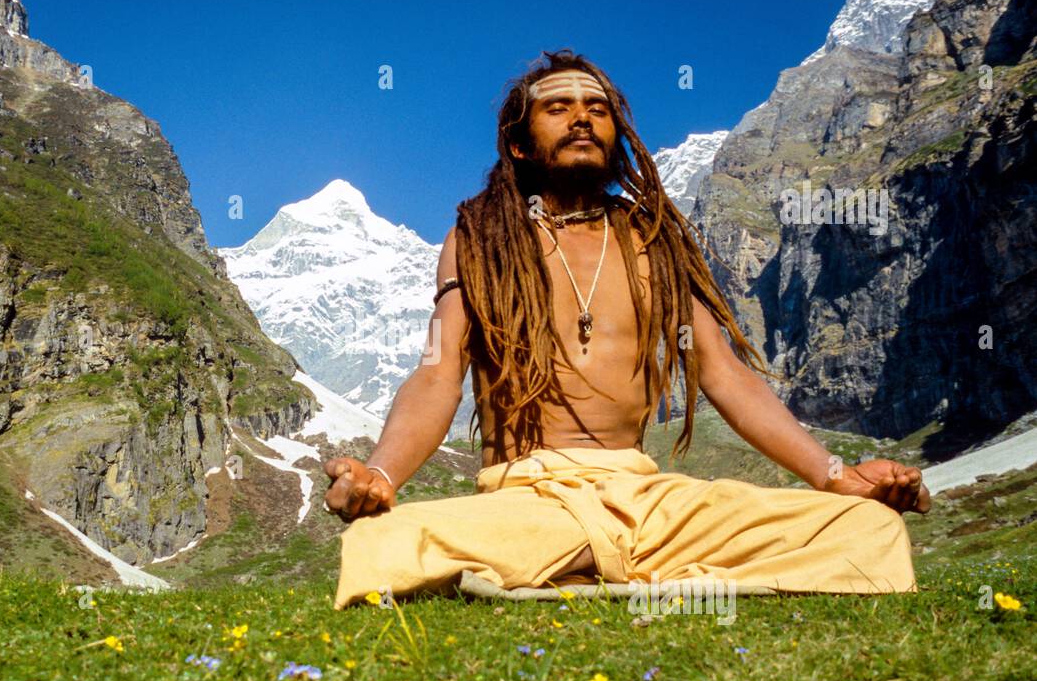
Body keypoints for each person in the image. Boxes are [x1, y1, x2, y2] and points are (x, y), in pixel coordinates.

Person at [324, 49, 928, 611]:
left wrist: (835, 476)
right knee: (387, 541)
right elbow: (437, 373)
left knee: (869, 526)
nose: (582, 119)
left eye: (598, 109)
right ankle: (626, 572)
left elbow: (723, 374)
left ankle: (571, 573)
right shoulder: (479, 237)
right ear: (519, 143)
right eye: (557, 108)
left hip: (644, 497)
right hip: (525, 496)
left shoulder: (653, 238)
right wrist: (380, 475)